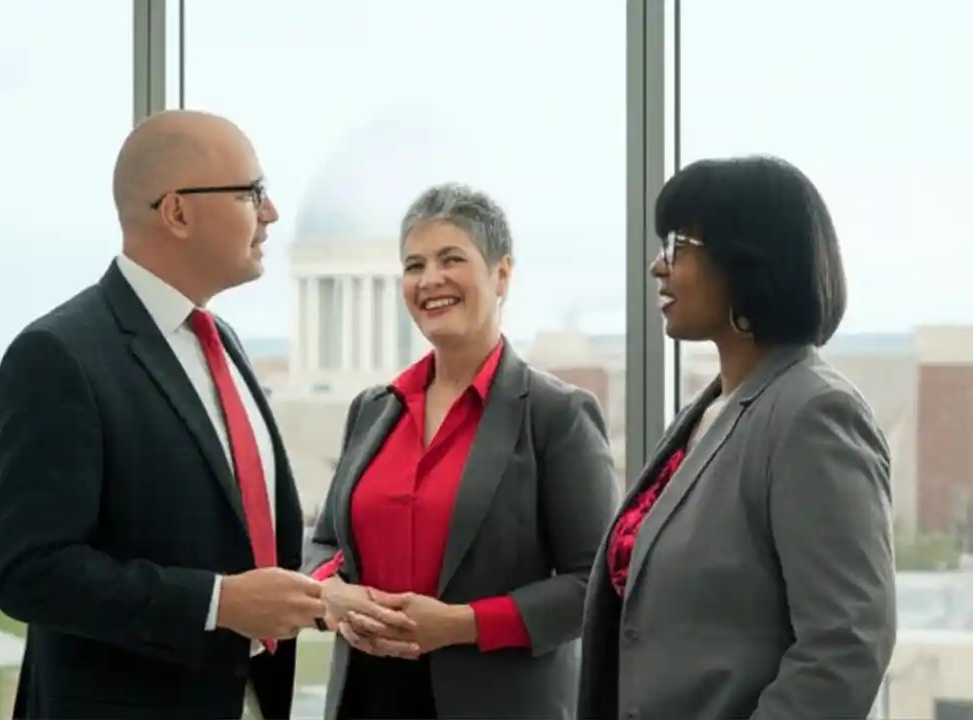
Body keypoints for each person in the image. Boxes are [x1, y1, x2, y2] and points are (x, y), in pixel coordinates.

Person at [0, 109, 324, 719]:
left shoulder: (222, 340)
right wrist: (218, 603)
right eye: (252, 193)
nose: (270, 213)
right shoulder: (59, 355)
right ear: (177, 212)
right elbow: (30, 573)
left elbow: (237, 526)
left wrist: (319, 594)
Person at [577, 156, 896, 720]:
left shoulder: (813, 414)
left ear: (748, 258)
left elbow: (844, 646)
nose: (657, 266)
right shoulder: (705, 414)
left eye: (677, 244)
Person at [303, 183, 620, 719]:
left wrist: (459, 624)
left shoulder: (555, 415)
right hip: (366, 696)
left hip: (496, 700)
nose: (431, 280)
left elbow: (595, 584)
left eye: (452, 259)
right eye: (415, 264)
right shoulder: (373, 409)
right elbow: (326, 541)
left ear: (502, 274)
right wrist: (328, 594)